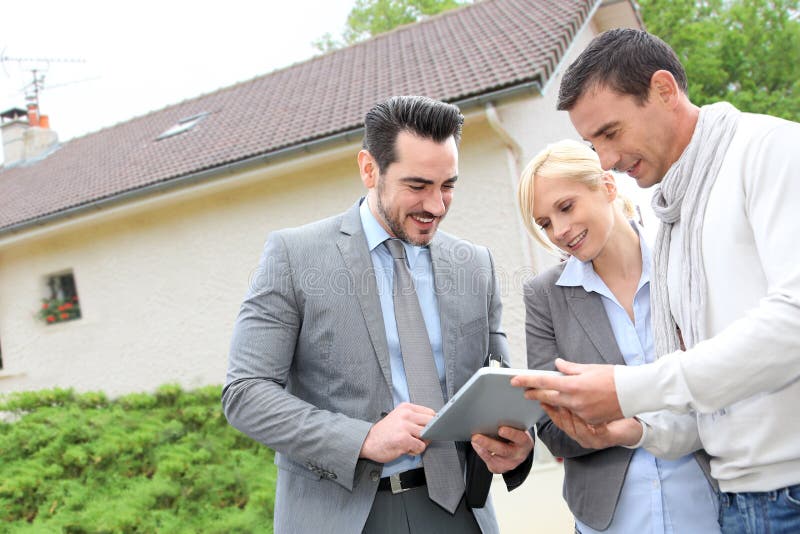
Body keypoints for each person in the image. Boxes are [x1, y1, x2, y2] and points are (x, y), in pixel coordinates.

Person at [512, 28, 800, 532]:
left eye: (610, 133)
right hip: (738, 501)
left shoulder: (769, 151)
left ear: (664, 90)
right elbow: (710, 409)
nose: (605, 159)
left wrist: (626, 388)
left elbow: (792, 323)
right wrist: (635, 431)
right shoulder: (676, 219)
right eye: (593, 144)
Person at [222, 95, 534, 534]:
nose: (436, 206)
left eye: (447, 185)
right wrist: (363, 438)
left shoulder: (475, 265)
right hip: (344, 518)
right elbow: (246, 393)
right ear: (369, 169)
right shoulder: (294, 256)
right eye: (417, 186)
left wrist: (518, 442)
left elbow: (498, 381)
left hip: (462, 512)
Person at [517, 139, 719, 533]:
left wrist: (618, 413)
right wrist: (608, 431)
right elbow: (551, 428)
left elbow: (725, 387)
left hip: (709, 508)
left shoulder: (686, 264)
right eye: (545, 223)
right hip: (611, 522)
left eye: (566, 207)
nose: (559, 231)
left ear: (607, 186)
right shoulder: (545, 296)